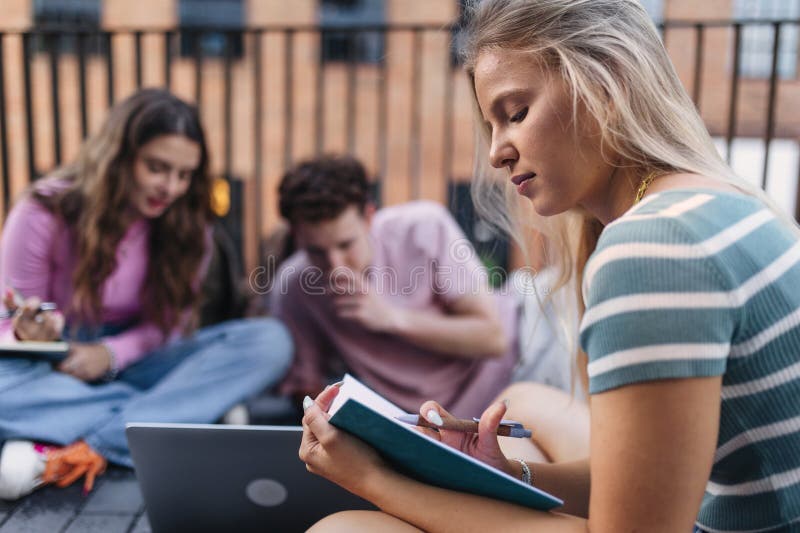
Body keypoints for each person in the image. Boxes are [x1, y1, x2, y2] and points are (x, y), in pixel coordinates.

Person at [298, 1, 800, 532]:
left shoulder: (655, 248)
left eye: (515, 114)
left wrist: (378, 482)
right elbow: (647, 478)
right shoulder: (715, 201)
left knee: (342, 530)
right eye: (491, 125)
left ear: (607, 85)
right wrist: (503, 472)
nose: (496, 153)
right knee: (529, 401)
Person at [0, 88, 292, 500]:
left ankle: (86, 442)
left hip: (138, 360)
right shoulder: (43, 210)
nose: (170, 187)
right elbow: (10, 319)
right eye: (157, 167)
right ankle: (182, 414)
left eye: (184, 174)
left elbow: (168, 325)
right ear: (119, 157)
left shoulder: (190, 227)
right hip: (55, 367)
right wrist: (36, 335)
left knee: (269, 341)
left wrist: (111, 354)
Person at [269, 154, 570, 418]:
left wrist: (390, 318)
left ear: (369, 217)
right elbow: (306, 388)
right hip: (441, 417)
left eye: (345, 244)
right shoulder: (294, 286)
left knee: (568, 294)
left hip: (526, 352)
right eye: (316, 251)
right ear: (297, 236)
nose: (335, 265)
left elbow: (493, 339)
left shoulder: (422, 227)